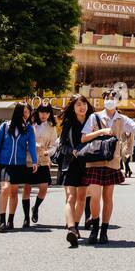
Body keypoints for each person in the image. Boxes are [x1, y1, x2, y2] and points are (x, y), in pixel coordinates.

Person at [82, 91, 135, 244]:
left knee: (108, 197)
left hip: (112, 161)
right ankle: (95, 227)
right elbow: (83, 138)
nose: (109, 100)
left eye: (113, 98)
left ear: (117, 102)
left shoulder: (122, 119)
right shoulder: (94, 116)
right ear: (103, 100)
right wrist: (101, 131)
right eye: (107, 98)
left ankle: (104, 230)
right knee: (94, 196)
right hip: (95, 159)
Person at [57, 94, 99, 248]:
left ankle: (75, 226)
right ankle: (71, 229)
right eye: (78, 105)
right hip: (71, 163)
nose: (82, 107)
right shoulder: (68, 123)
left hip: (87, 164)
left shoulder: (93, 120)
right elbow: (61, 146)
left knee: (82, 198)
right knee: (70, 197)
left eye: (84, 104)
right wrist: (72, 151)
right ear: (73, 108)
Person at [0, 103, 36, 232]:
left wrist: (34, 161)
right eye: (24, 112)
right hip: (4, 163)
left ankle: (11, 220)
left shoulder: (28, 128)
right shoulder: (5, 126)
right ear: (17, 112)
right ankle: (2, 221)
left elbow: (31, 145)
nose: (26, 115)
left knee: (14, 192)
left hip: (19, 164)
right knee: (5, 189)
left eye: (28, 112)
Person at [28, 104, 58, 223]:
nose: (44, 115)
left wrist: (48, 152)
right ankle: (26, 217)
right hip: (29, 159)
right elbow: (26, 141)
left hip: (44, 159)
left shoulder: (52, 127)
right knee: (27, 187)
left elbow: (54, 145)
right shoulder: (31, 125)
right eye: (42, 112)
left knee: (44, 188)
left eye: (47, 113)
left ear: (50, 114)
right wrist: (35, 145)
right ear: (38, 112)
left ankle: (35, 208)